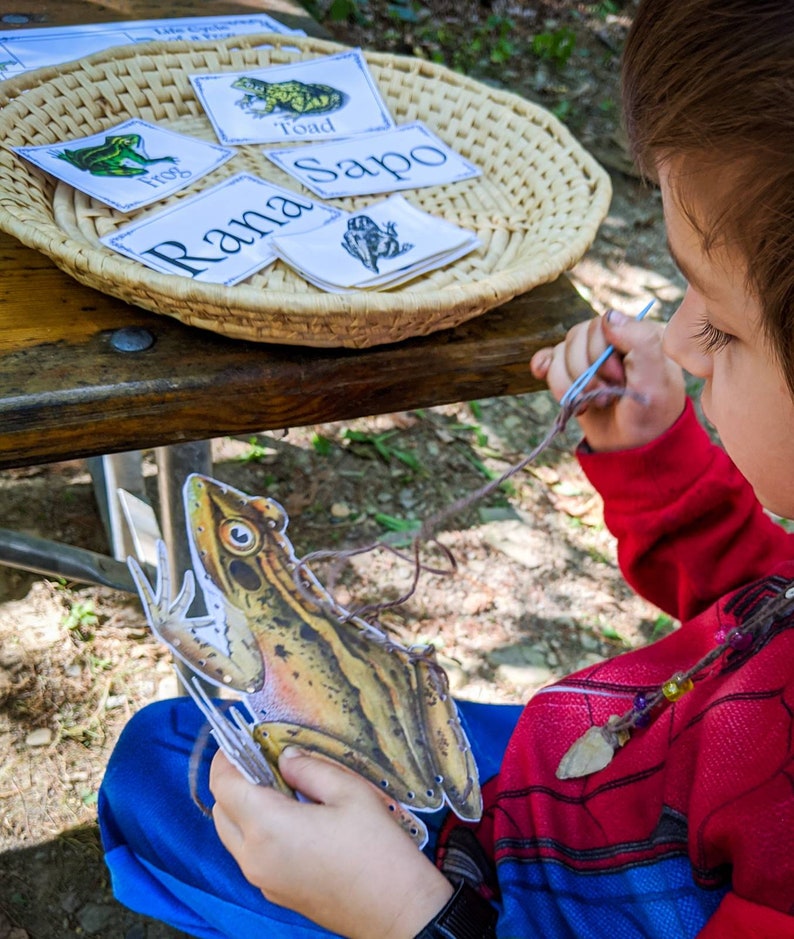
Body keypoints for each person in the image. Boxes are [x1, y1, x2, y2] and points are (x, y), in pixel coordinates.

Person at [98, 0, 794, 935]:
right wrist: (657, 459)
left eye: (724, 324)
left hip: (525, 902)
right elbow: (760, 608)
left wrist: (411, 913)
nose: (680, 338)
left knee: (157, 779)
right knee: (182, 743)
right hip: (592, 771)